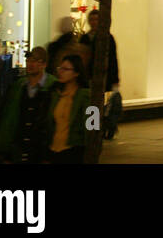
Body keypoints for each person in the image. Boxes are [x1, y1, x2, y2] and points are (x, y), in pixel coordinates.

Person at [0, 47, 57, 164]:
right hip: (19, 147)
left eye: (36, 61)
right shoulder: (19, 86)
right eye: (29, 61)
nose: (31, 64)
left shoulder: (53, 87)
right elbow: (8, 117)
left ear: (44, 65)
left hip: (41, 148)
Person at [79, 9, 120, 139]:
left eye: (97, 19)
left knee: (105, 104)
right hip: (89, 77)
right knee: (92, 104)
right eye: (92, 19)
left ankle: (105, 127)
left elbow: (113, 59)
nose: (94, 22)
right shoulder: (85, 38)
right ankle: (93, 129)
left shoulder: (107, 37)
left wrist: (115, 78)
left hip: (104, 77)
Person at [46, 54, 91, 163]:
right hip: (53, 150)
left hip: (73, 151)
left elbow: (92, 128)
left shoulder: (86, 96)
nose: (60, 72)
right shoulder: (55, 93)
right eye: (60, 68)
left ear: (76, 73)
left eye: (65, 69)